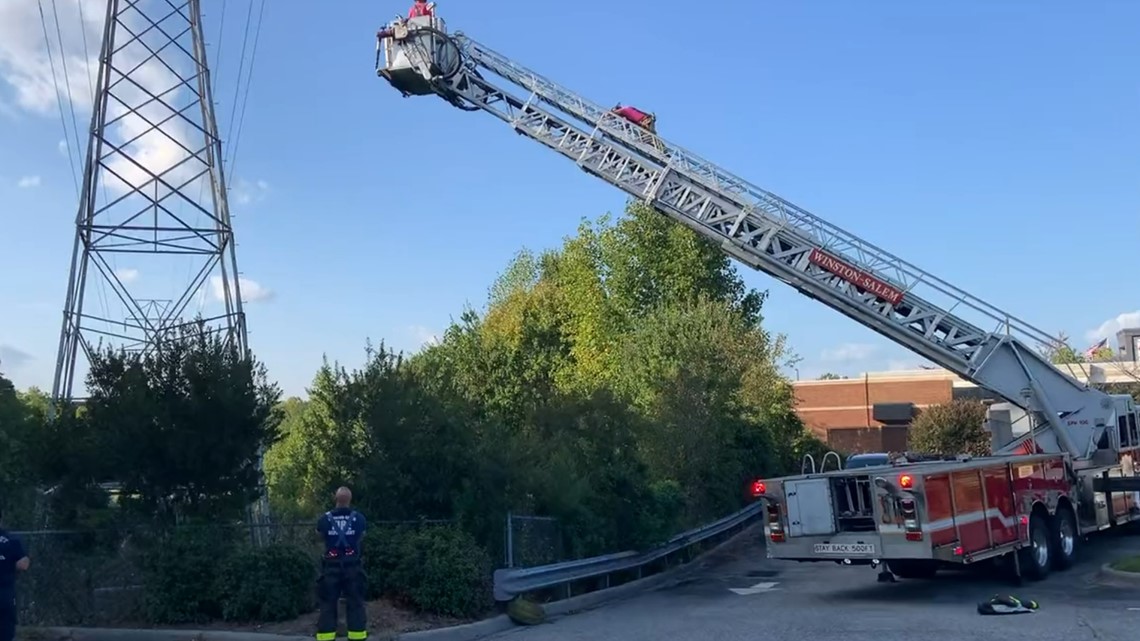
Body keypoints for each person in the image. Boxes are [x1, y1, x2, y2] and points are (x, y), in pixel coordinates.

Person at [315, 487, 368, 641]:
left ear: (336, 498)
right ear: (350, 500)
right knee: (356, 604)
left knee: (327, 605)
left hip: (331, 566)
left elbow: (319, 536)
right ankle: (357, 637)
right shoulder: (359, 519)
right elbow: (361, 536)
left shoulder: (325, 519)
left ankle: (326, 638)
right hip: (353, 566)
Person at [0, 507, 30, 641]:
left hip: (5, 591)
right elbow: (24, 564)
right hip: (5, 591)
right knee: (6, 630)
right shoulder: (12, 540)